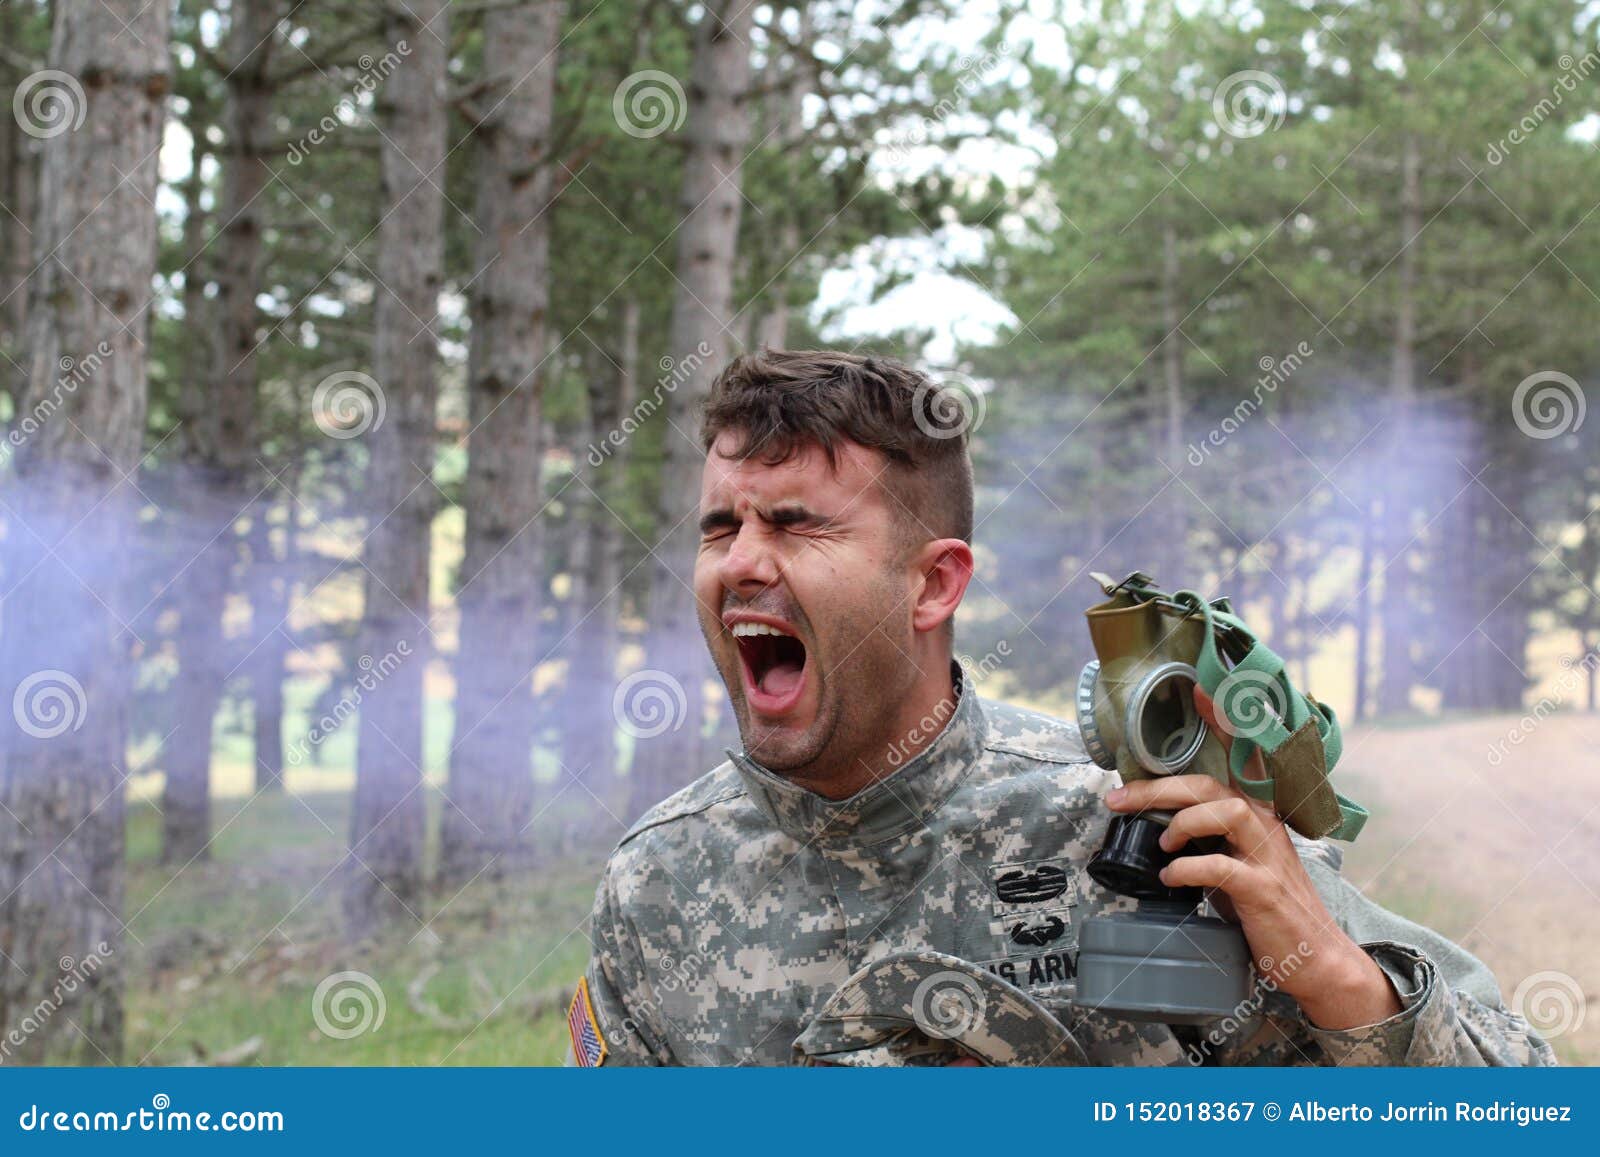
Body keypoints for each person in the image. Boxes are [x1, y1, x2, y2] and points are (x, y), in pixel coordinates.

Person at [565, 348, 1556, 1067]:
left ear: (933, 585)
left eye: (792, 523)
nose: (741, 561)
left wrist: (1338, 975)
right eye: (719, 525)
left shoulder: (1143, 826)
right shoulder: (656, 885)